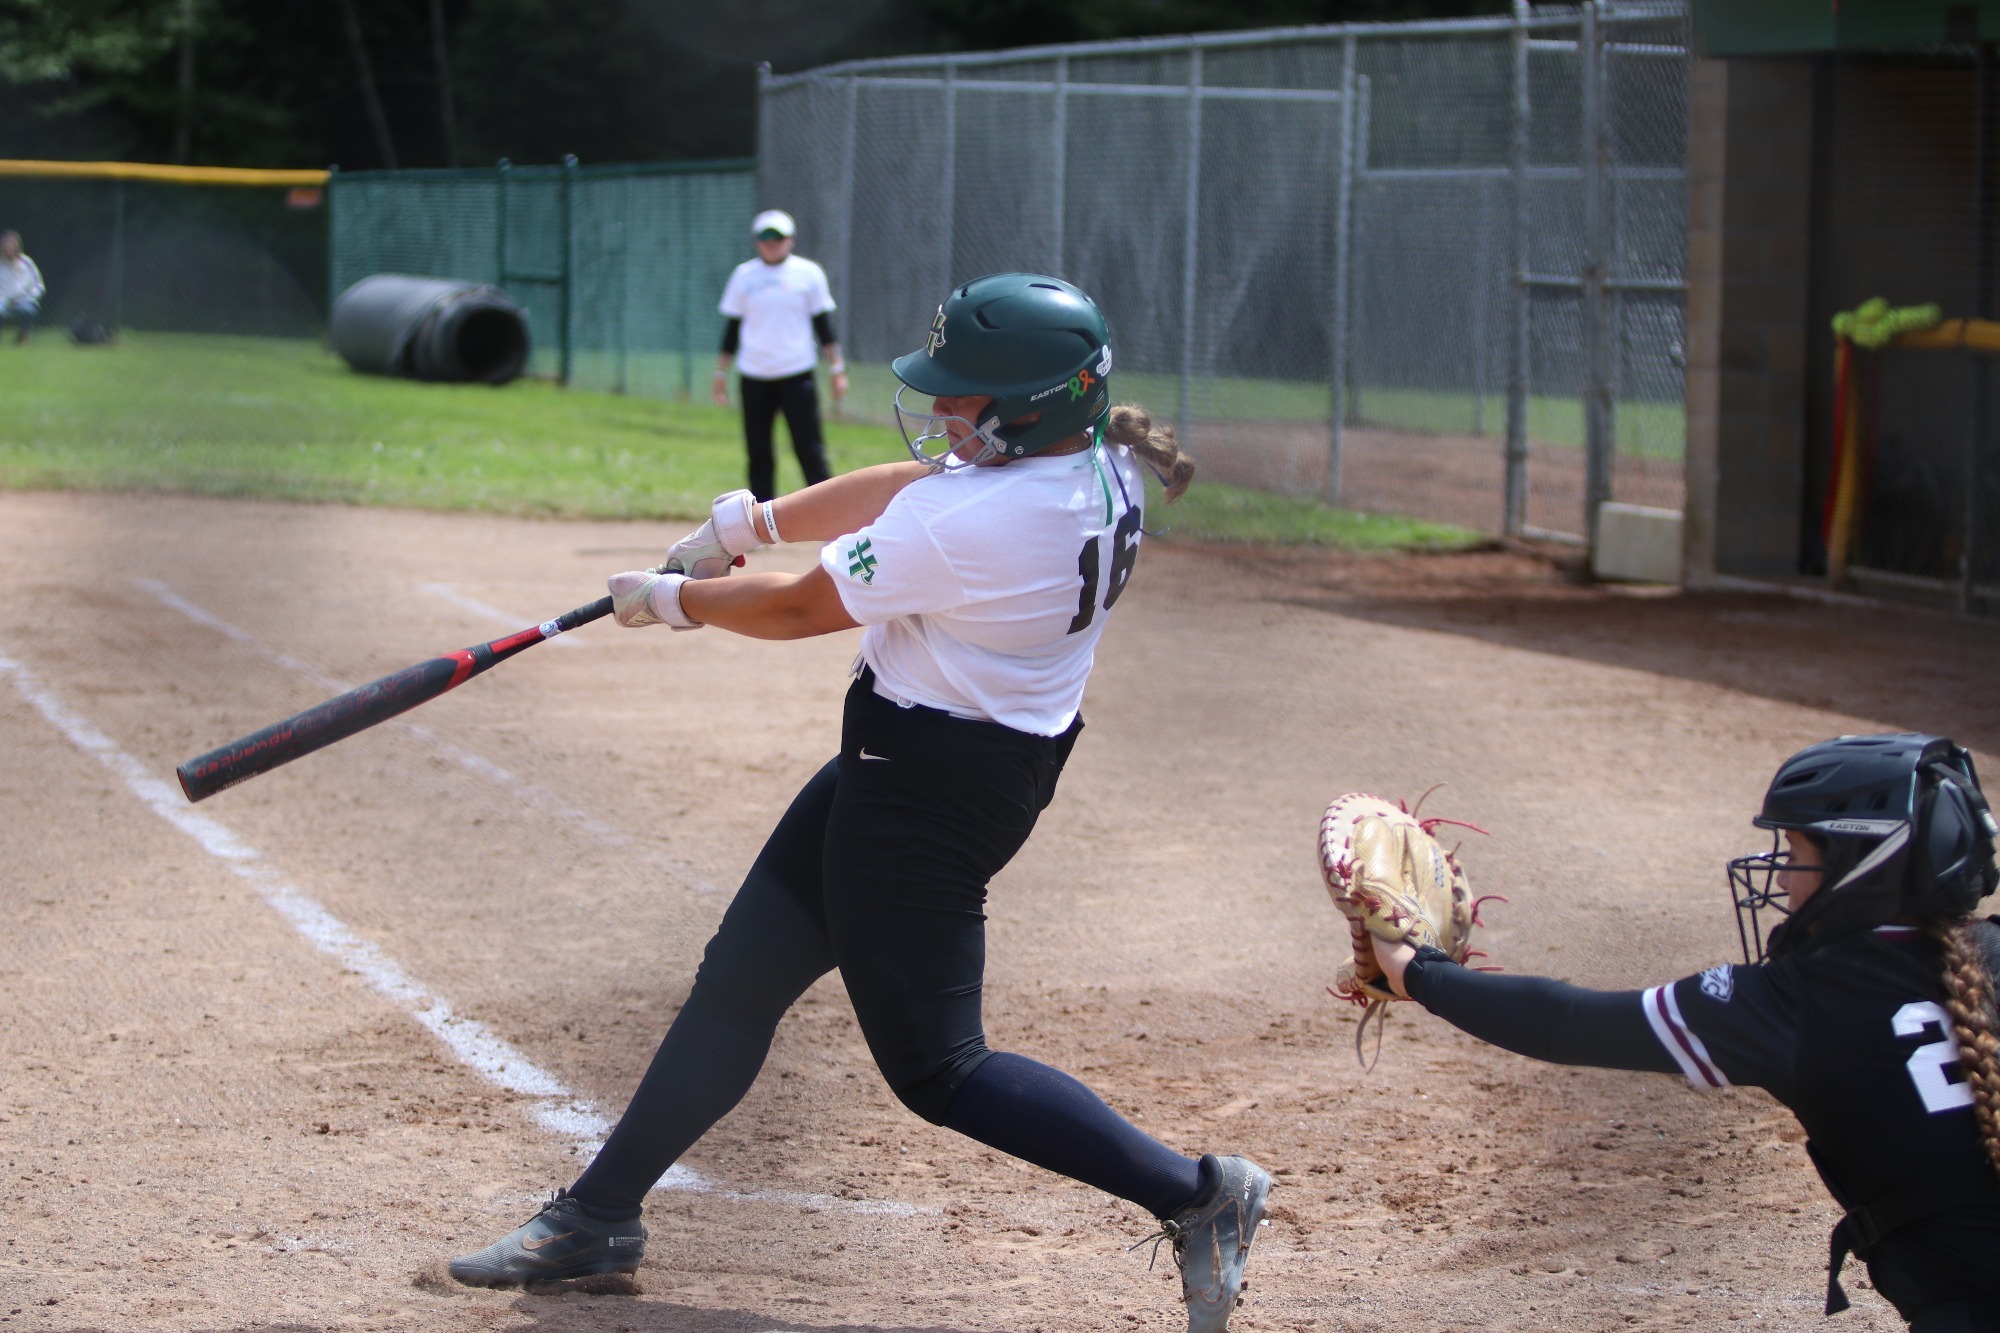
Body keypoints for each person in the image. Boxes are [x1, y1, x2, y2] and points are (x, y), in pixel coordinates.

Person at [446, 273, 1269, 1331]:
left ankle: (1198, 1194)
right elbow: (901, 486)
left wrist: (673, 601)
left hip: (923, 797)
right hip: (943, 767)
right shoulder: (1101, 461)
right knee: (737, 984)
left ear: (1027, 410)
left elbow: (799, 608)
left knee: (939, 1068)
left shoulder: (976, 520)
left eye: (963, 399)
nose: (940, 415)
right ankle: (598, 1214)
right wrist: (751, 519)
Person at [1365, 733, 2000, 1330]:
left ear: (1866, 863)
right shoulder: (1987, 955)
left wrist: (1417, 971)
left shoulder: (1799, 1002)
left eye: (1798, 854)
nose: (1780, 877)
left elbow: (1567, 1023)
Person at [713, 209, 846, 501]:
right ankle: (759, 520)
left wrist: (837, 369)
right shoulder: (744, 275)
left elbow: (824, 327)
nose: (771, 243)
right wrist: (720, 373)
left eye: (778, 237)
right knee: (758, 451)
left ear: (791, 240)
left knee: (809, 448)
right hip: (754, 374)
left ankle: (827, 515)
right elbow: (732, 329)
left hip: (796, 373)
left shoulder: (808, 273)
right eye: (765, 237)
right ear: (756, 241)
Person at [0, 231, 44, 345]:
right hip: (2, 301)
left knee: (28, 310)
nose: (8, 248)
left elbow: (39, 286)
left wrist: (28, 297)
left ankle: (23, 337)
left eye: (11, 245)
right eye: (6, 245)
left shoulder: (26, 263)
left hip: (23, 301)